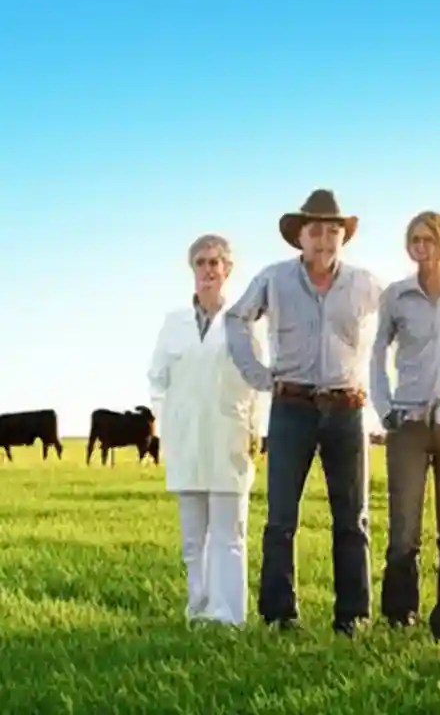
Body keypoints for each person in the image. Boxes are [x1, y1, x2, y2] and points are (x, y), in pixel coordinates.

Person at [224, 188, 384, 636]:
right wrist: (258, 374)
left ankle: (352, 617)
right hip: (291, 406)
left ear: (342, 238)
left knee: (352, 518)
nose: (324, 240)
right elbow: (237, 320)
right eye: (315, 231)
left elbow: (397, 323)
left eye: (333, 231)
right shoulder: (274, 279)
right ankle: (279, 615)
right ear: (300, 236)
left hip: (347, 409)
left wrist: (387, 381)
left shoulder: (365, 283)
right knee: (281, 518)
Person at [147, 233, 264, 626]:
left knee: (229, 535)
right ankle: (198, 611)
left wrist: (256, 431)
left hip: (229, 437)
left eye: (216, 262)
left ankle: (229, 616)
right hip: (186, 441)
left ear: (227, 270)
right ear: (192, 270)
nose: (208, 270)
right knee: (193, 539)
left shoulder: (244, 322)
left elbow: (261, 382)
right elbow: (157, 379)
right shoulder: (173, 324)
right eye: (201, 262)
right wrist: (166, 427)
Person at [370, 210, 440, 639]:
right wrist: (384, 406)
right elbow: (376, 353)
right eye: (414, 239)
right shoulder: (396, 297)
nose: (421, 246)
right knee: (404, 530)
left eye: (429, 239)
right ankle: (399, 615)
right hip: (408, 423)